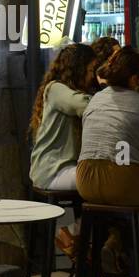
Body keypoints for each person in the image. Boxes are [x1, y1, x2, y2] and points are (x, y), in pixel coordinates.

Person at [76, 47, 139, 277]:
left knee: (126, 204)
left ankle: (117, 245)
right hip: (121, 181)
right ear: (134, 78)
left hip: (85, 181)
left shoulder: (96, 99)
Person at [28, 43, 98, 256]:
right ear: (77, 69)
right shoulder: (56, 89)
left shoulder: (65, 90)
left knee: (101, 184)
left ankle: (75, 238)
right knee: (101, 183)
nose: (92, 76)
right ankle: (79, 239)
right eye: (90, 70)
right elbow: (81, 104)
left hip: (64, 169)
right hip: (51, 170)